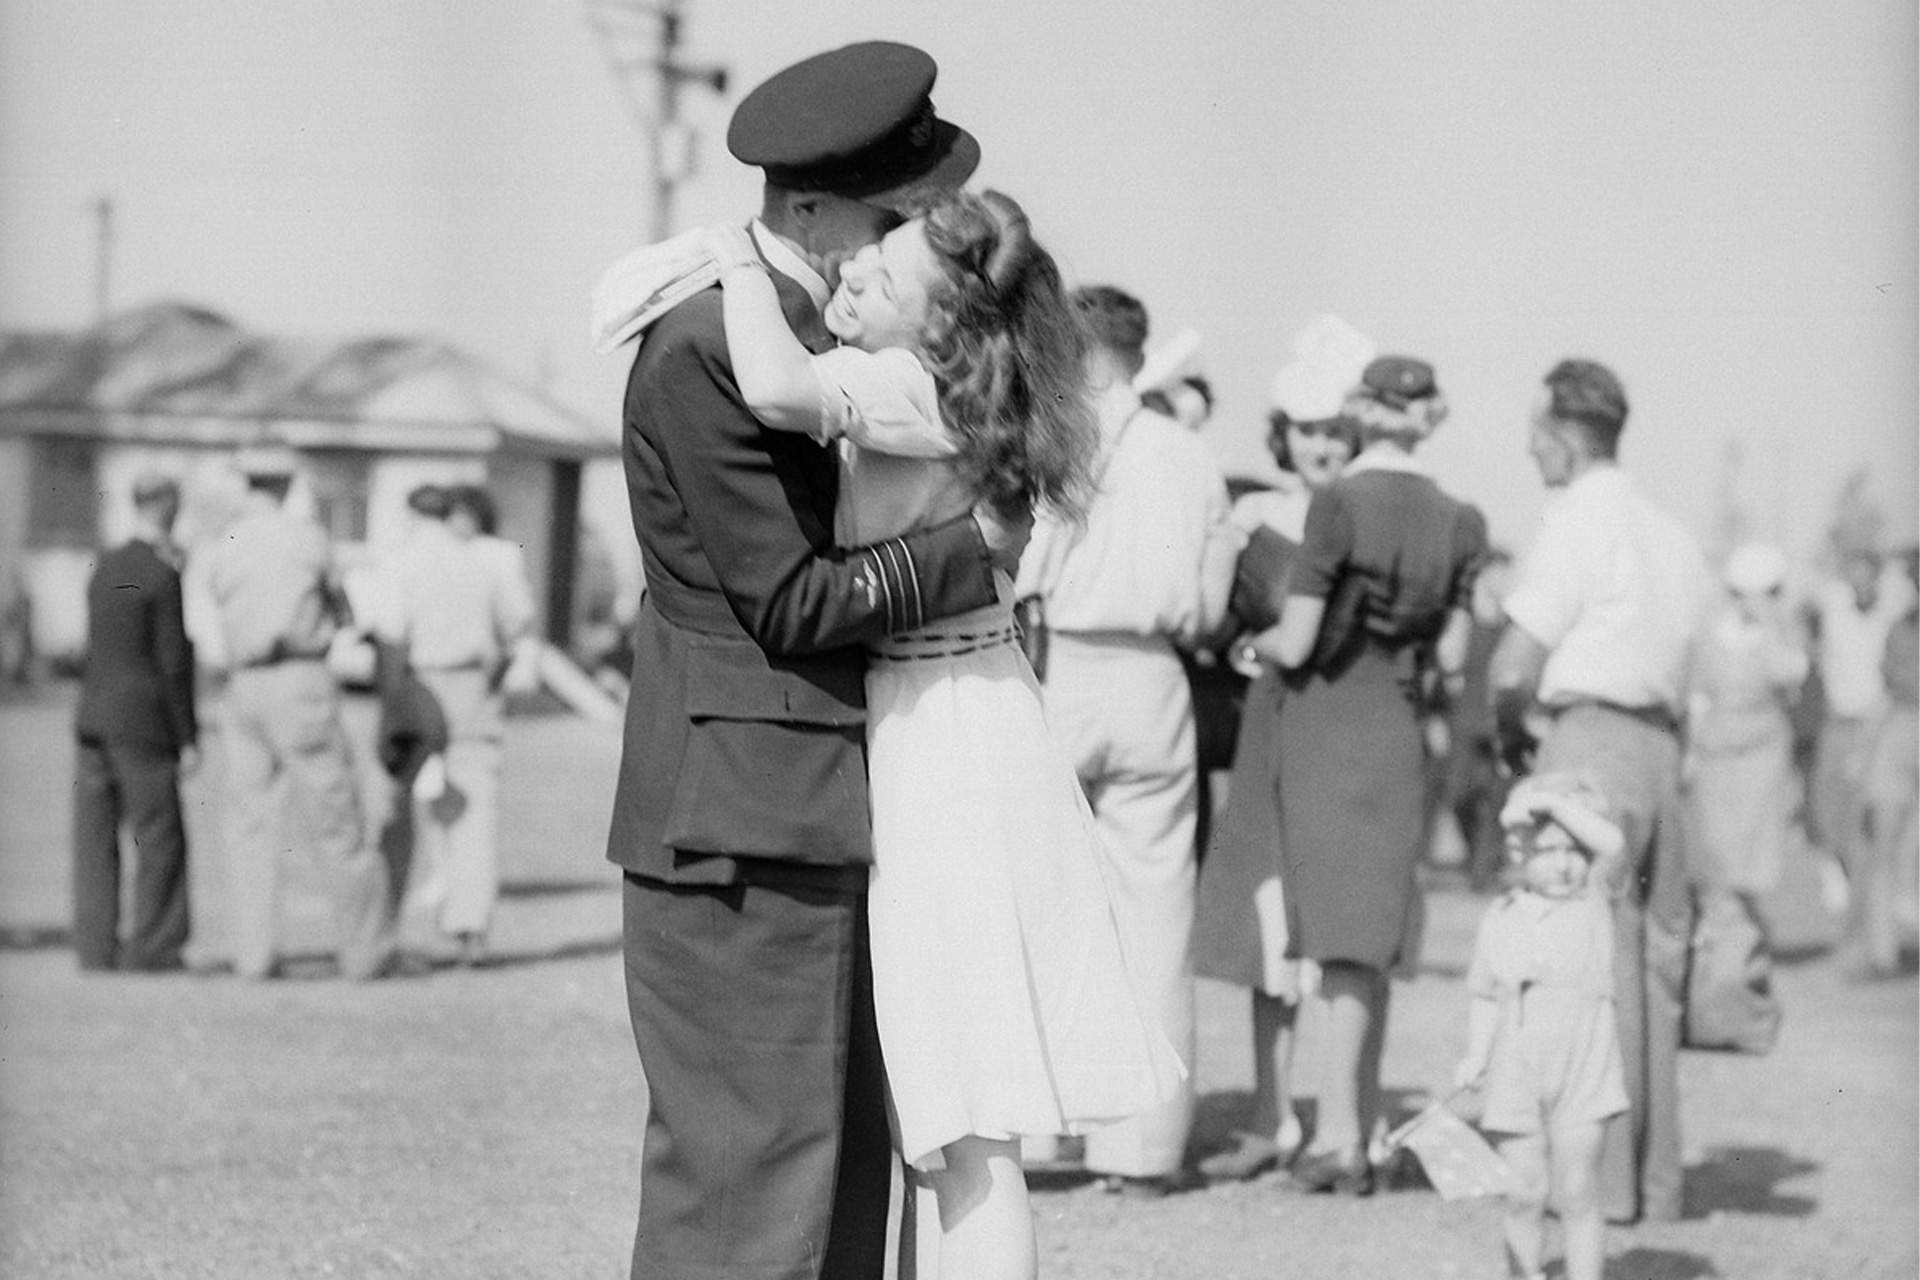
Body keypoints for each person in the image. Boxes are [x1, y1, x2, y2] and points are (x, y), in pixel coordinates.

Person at [592, 42, 1028, 1280]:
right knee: (747, 1187)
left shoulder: (791, 331)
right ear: (813, 205)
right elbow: (787, 599)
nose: (905, 245)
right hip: (739, 817)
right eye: (894, 219)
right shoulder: (708, 346)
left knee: (828, 1178)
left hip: (803, 805)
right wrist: (972, 549)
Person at [699, 186, 1181, 1280]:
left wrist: (729, 259)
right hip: (967, 713)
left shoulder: (907, 385)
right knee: (957, 1107)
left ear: (943, 323)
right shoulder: (957, 388)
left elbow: (772, 383)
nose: (856, 272)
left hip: (941, 734)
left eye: (886, 270)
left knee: (962, 1112)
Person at [1014, 284, 1243, 1197]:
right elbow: (1217, 596)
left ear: (1075, 347)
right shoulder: (1191, 455)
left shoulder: (1055, 437)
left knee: (1038, 904)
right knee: (1155, 914)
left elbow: (1020, 560)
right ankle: (1145, 1146)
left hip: (1058, 664)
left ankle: (1035, 1130)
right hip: (1157, 674)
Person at [1247, 354, 1487, 1195]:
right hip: (1394, 723)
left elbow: (1301, 641)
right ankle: (1361, 1126)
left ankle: (1340, 1139)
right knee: (1371, 936)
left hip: (1326, 719)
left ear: (1361, 412)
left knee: (1338, 938)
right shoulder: (1462, 519)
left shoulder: (1339, 500)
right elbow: (1453, 654)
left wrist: (1257, 642)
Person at [1489, 358, 1713, 1224]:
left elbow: (1514, 664)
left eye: (1534, 434)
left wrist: (1516, 741)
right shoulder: (1671, 532)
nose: (1527, 448)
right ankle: (1656, 1181)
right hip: (1660, 747)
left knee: (1588, 963)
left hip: (1587, 735)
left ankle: (1602, 1187)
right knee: (1656, 967)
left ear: (1558, 435)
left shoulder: (1579, 521)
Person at [1192, 314, 1371, 1181]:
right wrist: (1239, 642)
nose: (1322, 447)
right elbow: (1211, 617)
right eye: (1308, 430)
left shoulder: (1373, 513)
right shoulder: (1255, 510)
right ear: (1284, 434)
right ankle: (1271, 1109)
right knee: (1268, 917)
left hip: (1344, 727)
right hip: (1270, 720)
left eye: (1338, 431)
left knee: (1334, 921)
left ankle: (1341, 1116)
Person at [203, 453, 397, 981]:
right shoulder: (306, 537)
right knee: (335, 818)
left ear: (247, 485)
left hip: (242, 683)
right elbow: (344, 607)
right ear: (288, 485)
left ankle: (253, 955)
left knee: (248, 824)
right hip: (298, 679)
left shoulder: (228, 540)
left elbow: (215, 596)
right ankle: (365, 953)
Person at [1456, 773, 1630, 1280]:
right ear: (1518, 850)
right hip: (1516, 1072)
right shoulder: (1501, 915)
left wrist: (1551, 802)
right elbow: (1486, 996)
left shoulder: (1596, 902)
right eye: (1547, 849)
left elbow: (1613, 844)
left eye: (1574, 849)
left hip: (1583, 1070)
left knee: (1577, 1192)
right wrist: (1476, 1054)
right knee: (1524, 1192)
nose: (1562, 863)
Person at [370, 483, 532, 965]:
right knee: (475, 809)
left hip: (420, 686)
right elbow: (517, 626)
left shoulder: (400, 562)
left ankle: (384, 926)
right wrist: (491, 679)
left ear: (412, 515)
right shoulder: (481, 562)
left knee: (396, 807)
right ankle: (470, 927)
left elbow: (392, 635)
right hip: (473, 687)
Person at [71, 473, 198, 973]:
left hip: (92, 717)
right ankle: (153, 946)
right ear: (169, 507)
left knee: (94, 840)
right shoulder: (162, 574)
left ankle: (95, 948)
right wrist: (187, 735)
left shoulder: (105, 565)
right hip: (142, 723)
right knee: (159, 834)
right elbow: (172, 662)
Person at [1684, 542, 1809, 905]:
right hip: (1715, 750)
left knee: (1754, 850)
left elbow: (1789, 677)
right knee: (1716, 850)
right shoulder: (1711, 631)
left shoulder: (1781, 633)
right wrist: (1691, 749)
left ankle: (1747, 935)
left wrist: (1771, 624)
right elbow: (1698, 695)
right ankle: (1726, 934)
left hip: (1762, 748)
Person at [1810, 545, 1916, 931]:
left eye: (1867, 575)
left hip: (1877, 725)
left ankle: (1882, 900)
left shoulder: (1890, 617)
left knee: (1873, 815)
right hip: (1837, 720)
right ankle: (1838, 874)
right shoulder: (1833, 611)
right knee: (1827, 806)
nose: (1860, 584)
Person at [1856, 549, 1919, 976]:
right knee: (1883, 845)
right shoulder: (1901, 629)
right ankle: (1883, 951)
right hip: (1900, 729)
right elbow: (1889, 684)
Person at [445, 484, 543, 696]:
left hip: (477, 663)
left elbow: (518, 612)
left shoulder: (496, 554)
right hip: (468, 662)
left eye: (462, 513)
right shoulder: (445, 552)